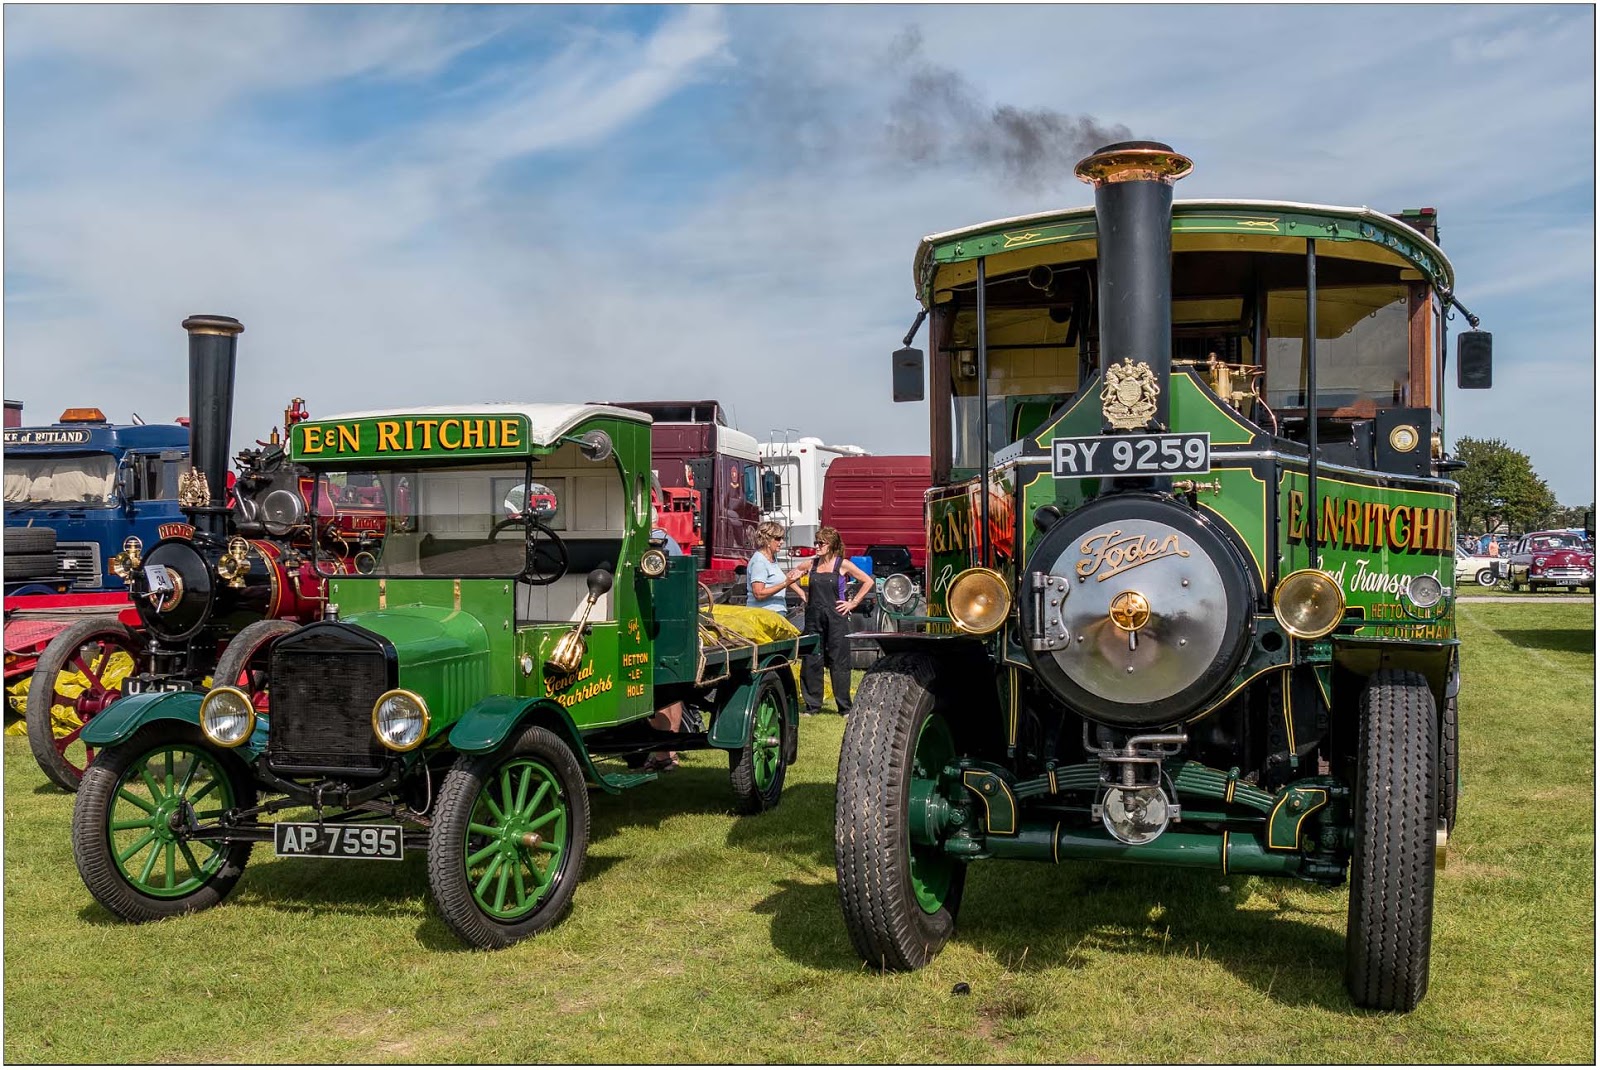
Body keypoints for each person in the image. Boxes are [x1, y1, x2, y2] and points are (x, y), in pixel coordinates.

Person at [799, 525, 874, 715]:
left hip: (836, 618)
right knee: (812, 659)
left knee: (838, 660)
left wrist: (853, 603)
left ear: (831, 545)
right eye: (816, 542)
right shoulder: (811, 564)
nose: (817, 546)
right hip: (813, 616)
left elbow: (868, 581)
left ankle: (844, 707)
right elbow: (789, 578)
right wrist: (802, 594)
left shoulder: (843, 564)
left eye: (820, 543)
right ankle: (812, 706)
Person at [645, 512, 688, 772]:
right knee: (672, 690)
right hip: (670, 620)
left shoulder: (652, 544)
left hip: (655, 620)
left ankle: (664, 753)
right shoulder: (669, 541)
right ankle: (669, 752)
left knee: (660, 692)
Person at [746, 521, 804, 614]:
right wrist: (785, 583)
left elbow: (782, 579)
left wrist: (802, 594)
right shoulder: (759, 562)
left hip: (776, 612)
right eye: (778, 538)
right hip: (764, 614)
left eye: (782, 538)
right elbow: (759, 593)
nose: (782, 542)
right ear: (767, 540)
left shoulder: (771, 558)